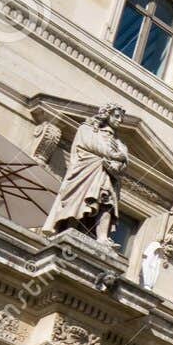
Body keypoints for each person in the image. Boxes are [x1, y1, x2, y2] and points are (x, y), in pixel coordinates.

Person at [44, 104, 128, 243]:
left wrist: (115, 165)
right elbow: (92, 145)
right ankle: (70, 228)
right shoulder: (88, 129)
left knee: (107, 202)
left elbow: (124, 161)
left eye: (122, 118)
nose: (120, 120)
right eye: (116, 116)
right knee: (79, 200)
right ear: (107, 114)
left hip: (108, 175)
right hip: (86, 172)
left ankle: (102, 237)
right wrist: (115, 155)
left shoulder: (120, 143)